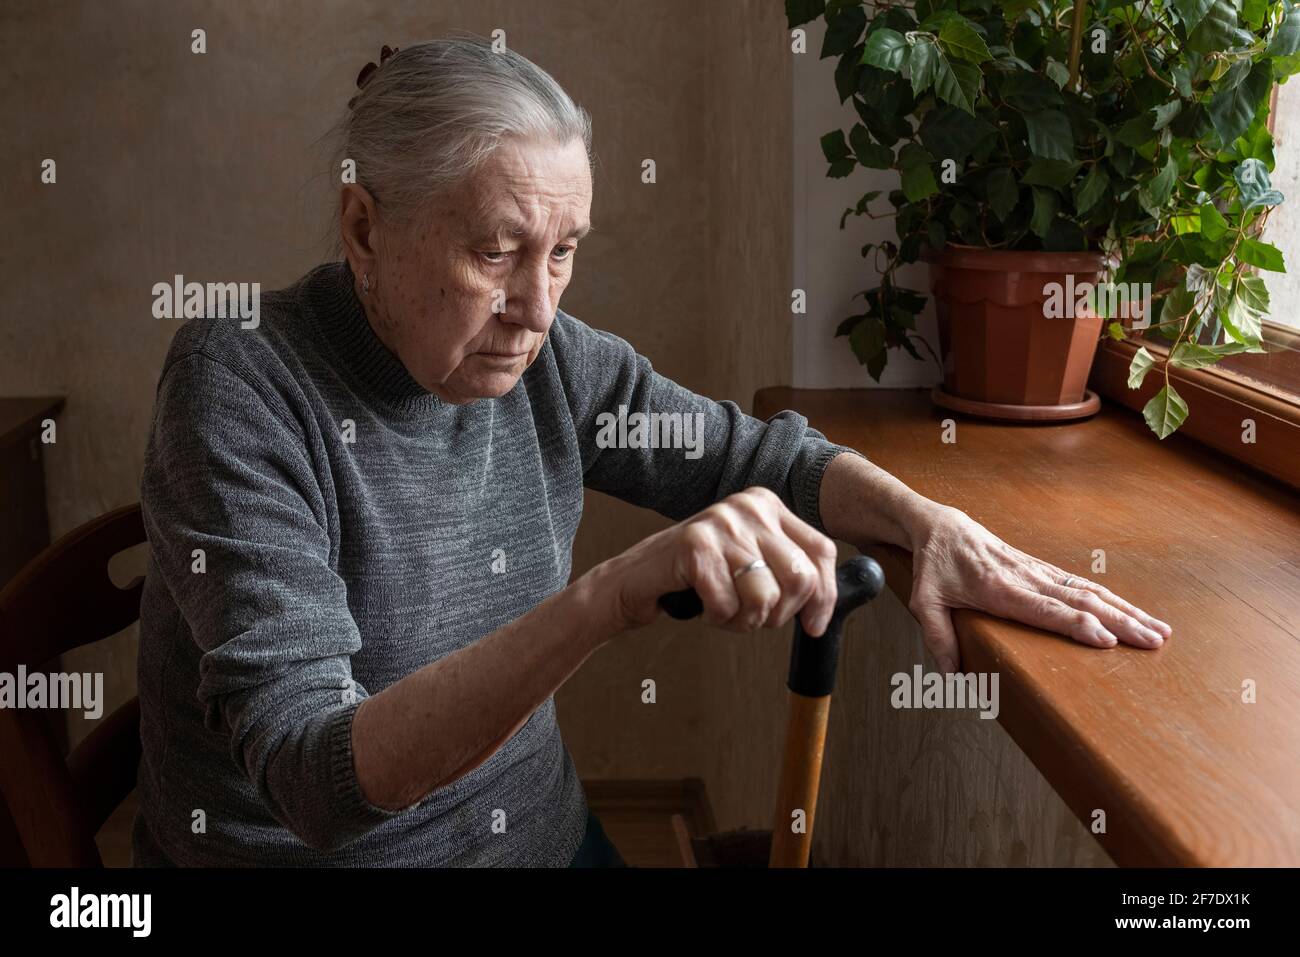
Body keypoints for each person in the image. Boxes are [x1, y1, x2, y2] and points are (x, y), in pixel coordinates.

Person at [131, 36, 1170, 868]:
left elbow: (754, 457)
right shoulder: (240, 383)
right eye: (493, 253)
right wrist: (611, 596)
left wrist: (924, 522)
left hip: (534, 833)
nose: (536, 308)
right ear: (363, 229)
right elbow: (317, 782)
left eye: (565, 251)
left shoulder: (553, 364)